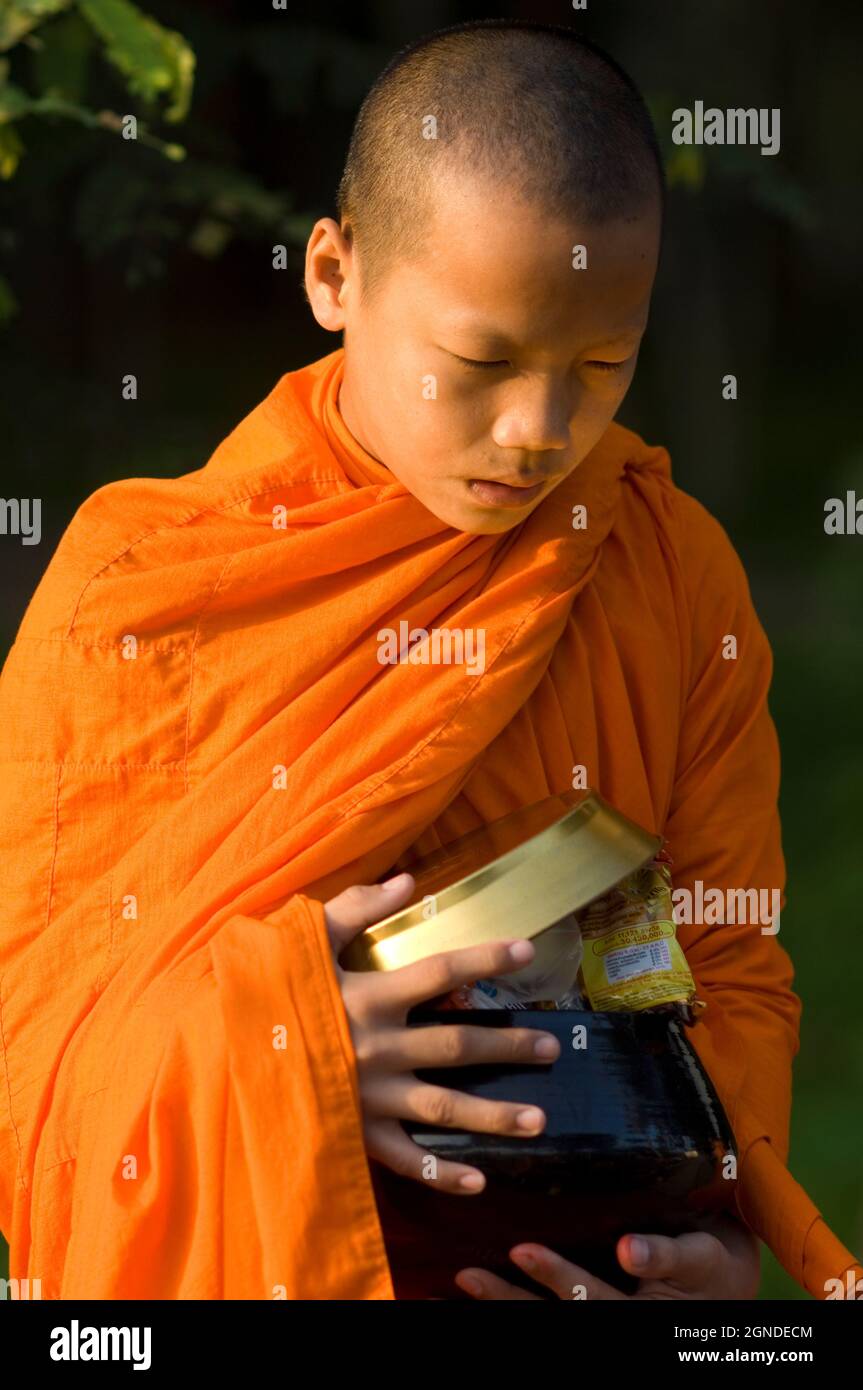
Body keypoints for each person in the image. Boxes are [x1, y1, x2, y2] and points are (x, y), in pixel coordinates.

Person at [0, 18, 858, 1301]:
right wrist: (291, 1035)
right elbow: (37, 1040)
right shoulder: (144, 592)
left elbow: (726, 961)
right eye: (482, 361)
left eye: (601, 365)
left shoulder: (667, 568)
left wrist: (712, 1246)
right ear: (334, 276)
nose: (539, 430)